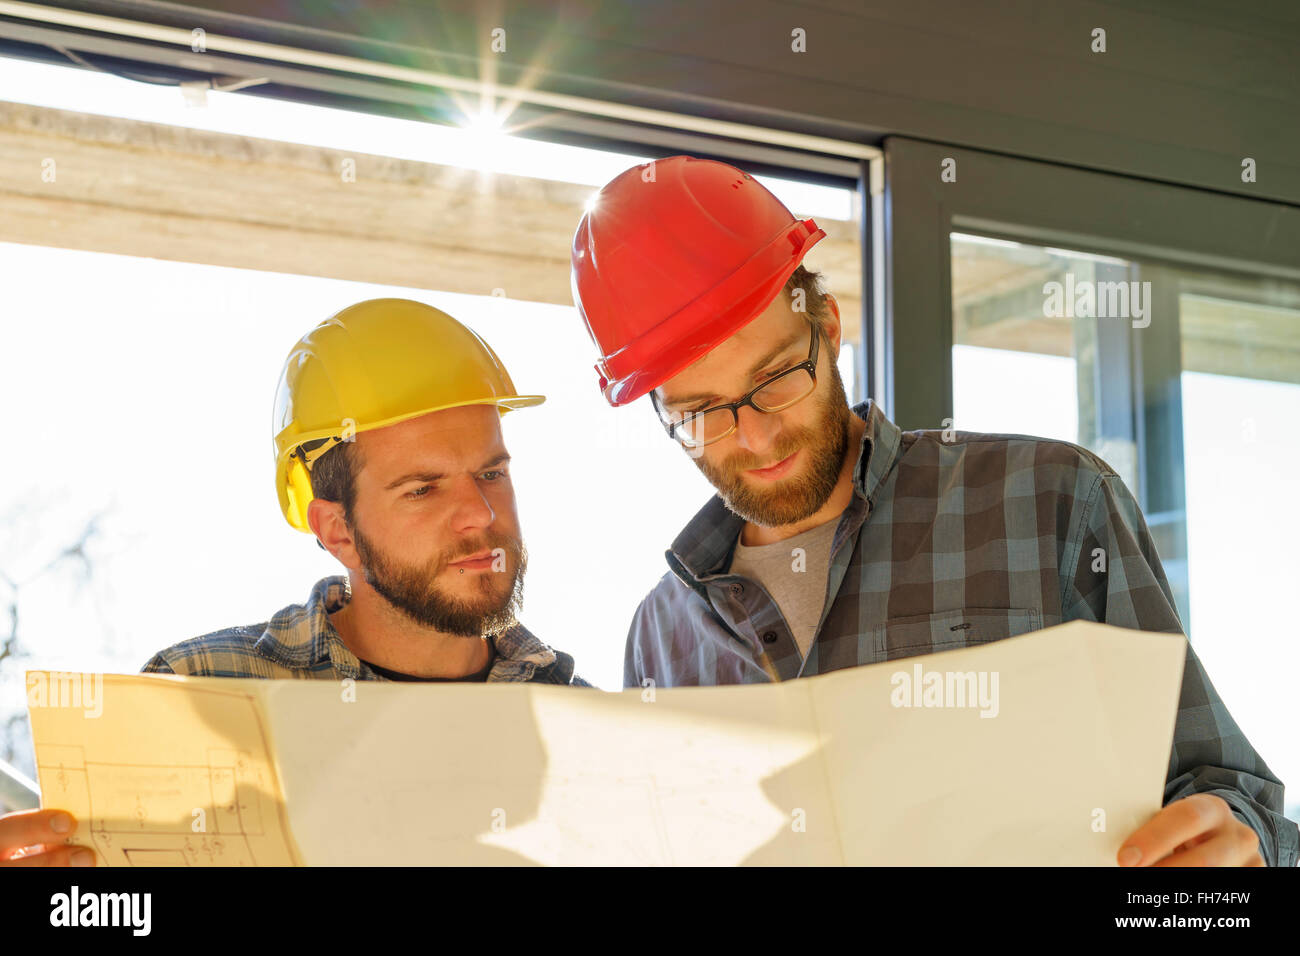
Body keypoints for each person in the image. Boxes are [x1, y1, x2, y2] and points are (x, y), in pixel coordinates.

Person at [570, 154, 1295, 867]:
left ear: (827, 323)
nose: (756, 437)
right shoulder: (659, 638)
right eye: (702, 414)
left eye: (778, 376)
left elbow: (1230, 793)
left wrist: (1242, 849)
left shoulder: (1050, 503)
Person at [1, 297, 588, 866]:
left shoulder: (591, 727)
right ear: (338, 531)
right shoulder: (200, 693)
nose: (481, 514)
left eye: (491, 473)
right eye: (422, 489)